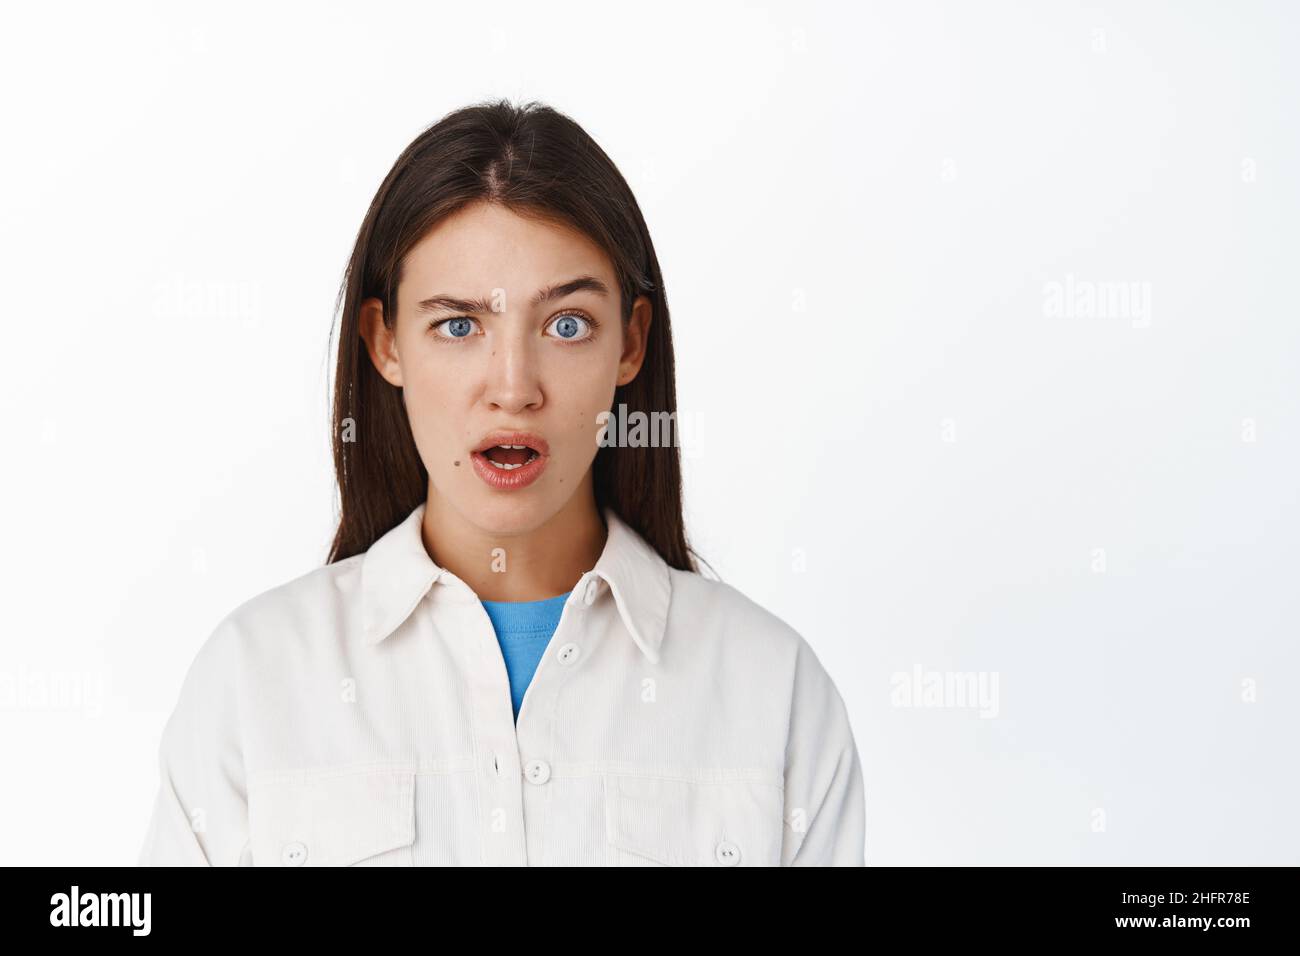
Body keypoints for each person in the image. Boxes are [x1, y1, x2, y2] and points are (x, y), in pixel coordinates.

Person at [138, 99, 865, 866]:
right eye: (458, 326)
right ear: (385, 343)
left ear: (632, 342)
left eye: (567, 325)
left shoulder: (772, 690)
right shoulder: (255, 681)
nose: (514, 388)